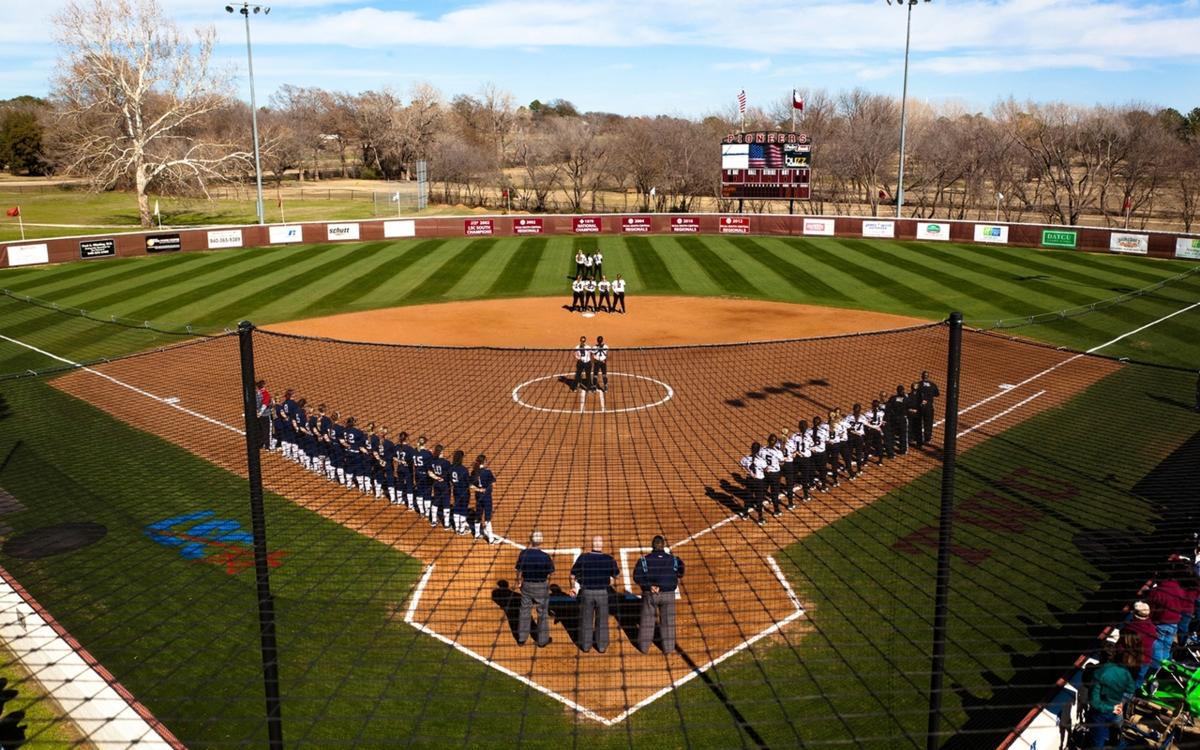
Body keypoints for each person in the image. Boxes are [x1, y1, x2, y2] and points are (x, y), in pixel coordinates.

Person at [634, 536, 685, 654]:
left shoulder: (643, 560)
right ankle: (668, 649)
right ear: (663, 546)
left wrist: (649, 586)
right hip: (668, 595)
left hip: (650, 595)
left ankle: (644, 647)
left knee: (647, 620)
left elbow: (637, 577)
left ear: (653, 546)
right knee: (668, 622)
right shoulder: (674, 560)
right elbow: (681, 573)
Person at [571, 537, 619, 653]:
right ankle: (601, 647)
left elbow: (572, 575)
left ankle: (585, 646)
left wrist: (573, 587)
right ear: (601, 545)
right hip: (602, 594)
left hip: (586, 593)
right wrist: (609, 580)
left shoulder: (583, 558)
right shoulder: (609, 559)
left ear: (591, 545)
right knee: (602, 620)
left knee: (586, 620)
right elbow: (615, 577)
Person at [1085, 647, 1137, 749]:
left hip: (1101, 713)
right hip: (1117, 710)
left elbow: (1094, 701)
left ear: (1101, 657)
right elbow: (1130, 690)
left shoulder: (1097, 674)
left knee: (1097, 741)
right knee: (1116, 735)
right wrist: (1121, 702)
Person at [515, 530, 555, 647]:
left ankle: (521, 639)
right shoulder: (545, 557)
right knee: (542, 613)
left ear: (531, 539)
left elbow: (519, 571)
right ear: (541, 541)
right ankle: (542, 641)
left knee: (524, 611)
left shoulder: (524, 554)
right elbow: (550, 573)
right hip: (541, 586)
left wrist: (519, 582)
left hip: (526, 585)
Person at [1126, 601, 1158, 685]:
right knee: (1138, 679)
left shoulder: (1131, 628)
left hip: (1132, 660)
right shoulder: (1151, 627)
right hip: (1146, 660)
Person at [738, 441, 766, 525]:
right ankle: (760, 519)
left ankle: (745, 514)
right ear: (758, 450)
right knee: (759, 500)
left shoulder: (745, 458)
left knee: (748, 497)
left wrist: (747, 472)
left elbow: (741, 464)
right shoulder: (761, 461)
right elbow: (765, 469)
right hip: (759, 481)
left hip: (749, 480)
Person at [470, 454, 496, 543]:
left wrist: (478, 489)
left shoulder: (474, 472)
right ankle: (491, 539)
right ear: (484, 462)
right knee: (487, 518)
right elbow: (493, 483)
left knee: (478, 514)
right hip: (487, 498)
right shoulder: (487, 472)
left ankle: (477, 535)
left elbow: (471, 485)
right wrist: (485, 489)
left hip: (478, 497)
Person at [760, 434, 784, 517]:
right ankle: (776, 511)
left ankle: (760, 507)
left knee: (763, 490)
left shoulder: (762, 450)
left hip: (765, 473)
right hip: (775, 475)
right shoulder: (778, 452)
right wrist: (781, 447)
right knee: (774, 493)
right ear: (775, 442)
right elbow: (782, 462)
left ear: (768, 440)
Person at [428, 443, 451, 528]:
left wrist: (437, 478)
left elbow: (429, 473)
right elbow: (450, 475)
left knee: (436, 501)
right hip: (445, 485)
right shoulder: (446, 463)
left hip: (436, 484)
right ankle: (446, 524)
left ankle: (433, 521)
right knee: (446, 504)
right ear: (442, 451)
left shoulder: (432, 462)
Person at [448, 450, 471, 534]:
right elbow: (468, 482)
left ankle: (457, 528)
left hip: (456, 490)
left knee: (456, 508)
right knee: (463, 509)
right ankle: (462, 530)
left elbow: (450, 479)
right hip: (464, 492)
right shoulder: (464, 469)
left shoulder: (450, 468)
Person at [790, 419, 812, 503]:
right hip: (805, 459)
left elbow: (792, 447)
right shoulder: (809, 436)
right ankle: (805, 495)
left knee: (794, 475)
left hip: (797, 458)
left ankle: (791, 492)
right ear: (806, 427)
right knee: (805, 477)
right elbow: (811, 446)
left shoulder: (794, 435)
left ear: (798, 427)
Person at [917, 371, 940, 446]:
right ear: (928, 376)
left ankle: (918, 439)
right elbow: (937, 394)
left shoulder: (918, 384)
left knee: (918, 422)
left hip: (920, 406)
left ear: (922, 376)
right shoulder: (932, 385)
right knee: (928, 423)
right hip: (929, 407)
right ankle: (927, 438)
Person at [412, 436, 433, 518]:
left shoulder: (414, 452)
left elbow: (416, 450)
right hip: (426, 476)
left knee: (419, 493)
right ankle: (427, 514)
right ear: (426, 443)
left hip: (417, 475)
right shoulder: (427, 454)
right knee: (427, 495)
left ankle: (421, 512)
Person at [886, 385, 909, 456]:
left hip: (893, 419)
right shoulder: (905, 399)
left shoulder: (892, 398)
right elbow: (909, 407)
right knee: (903, 435)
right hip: (902, 419)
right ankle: (903, 450)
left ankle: (891, 451)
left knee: (892, 435)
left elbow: (888, 407)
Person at [809, 416, 829, 492]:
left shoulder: (808, 431)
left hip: (812, 453)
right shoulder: (823, 431)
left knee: (812, 468)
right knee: (823, 469)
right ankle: (823, 486)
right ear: (820, 423)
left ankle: (811, 484)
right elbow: (827, 440)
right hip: (821, 453)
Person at [394, 431, 414, 508]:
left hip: (399, 469)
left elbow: (394, 457)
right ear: (407, 438)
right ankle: (410, 505)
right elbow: (413, 459)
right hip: (408, 470)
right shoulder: (410, 449)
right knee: (409, 486)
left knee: (400, 484)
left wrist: (399, 461)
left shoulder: (397, 447)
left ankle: (399, 501)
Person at [865, 399, 887, 464]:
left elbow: (867, 423)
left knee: (868, 445)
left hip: (871, 430)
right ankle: (880, 461)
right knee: (879, 445)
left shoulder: (868, 413)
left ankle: (865, 460)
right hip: (878, 430)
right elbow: (881, 421)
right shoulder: (882, 413)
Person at [254, 379, 272, 450]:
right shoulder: (265, 393)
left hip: (257, 415)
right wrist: (260, 413)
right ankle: (267, 446)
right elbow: (265, 404)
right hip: (264, 415)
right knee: (266, 431)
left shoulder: (256, 393)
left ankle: (260, 444)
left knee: (259, 430)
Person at [905, 383, 922, 448]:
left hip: (917, 414)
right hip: (910, 414)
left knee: (917, 428)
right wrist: (910, 409)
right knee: (910, 427)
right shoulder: (908, 395)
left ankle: (919, 443)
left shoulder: (920, 396)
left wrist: (917, 410)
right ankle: (910, 440)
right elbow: (906, 405)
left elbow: (921, 405)